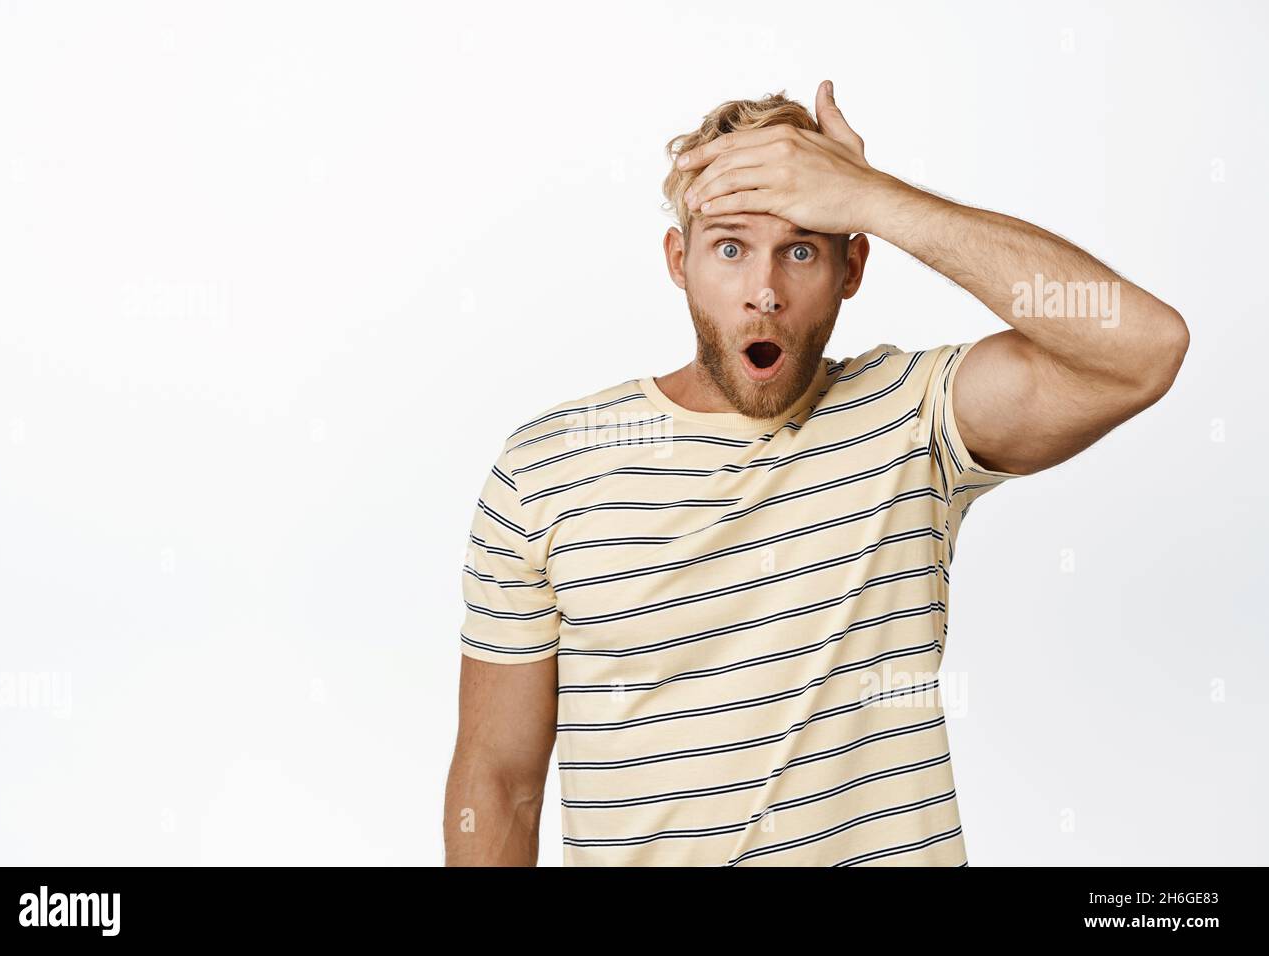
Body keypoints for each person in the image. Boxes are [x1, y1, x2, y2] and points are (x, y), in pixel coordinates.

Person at [443, 82, 1188, 866]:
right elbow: (498, 782)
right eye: (730, 248)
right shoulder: (549, 468)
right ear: (679, 262)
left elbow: (1143, 347)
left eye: (801, 250)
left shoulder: (914, 418)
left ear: (851, 265)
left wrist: (879, 199)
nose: (764, 293)